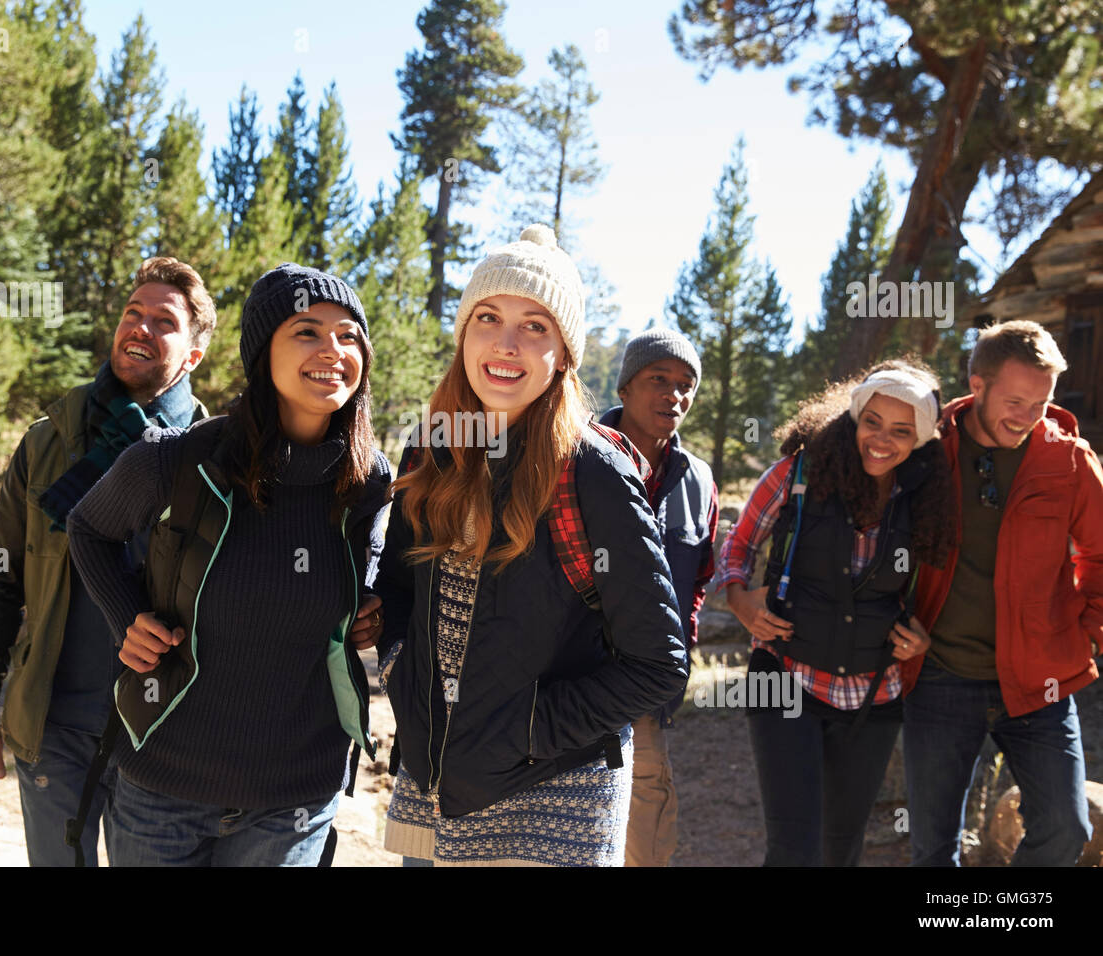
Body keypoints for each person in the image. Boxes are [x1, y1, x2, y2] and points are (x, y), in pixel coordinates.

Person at [372, 224, 689, 867]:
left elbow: (658, 664)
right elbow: (402, 585)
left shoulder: (594, 471)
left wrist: (524, 729)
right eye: (488, 317)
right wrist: (402, 668)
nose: (507, 344)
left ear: (565, 352)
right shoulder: (431, 447)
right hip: (431, 784)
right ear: (464, 333)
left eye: (536, 325)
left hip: (553, 797)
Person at [65, 263, 391, 867]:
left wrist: (369, 608)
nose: (333, 350)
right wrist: (126, 618)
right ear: (261, 352)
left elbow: (366, 576)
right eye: (307, 332)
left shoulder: (368, 479)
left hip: (294, 800)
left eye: (349, 336)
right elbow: (88, 527)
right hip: (162, 787)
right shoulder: (180, 459)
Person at [0, 256, 214, 866]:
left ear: (193, 357)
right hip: (55, 723)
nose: (141, 328)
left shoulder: (211, 459)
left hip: (161, 730)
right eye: (133, 313)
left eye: (165, 321)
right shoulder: (49, 442)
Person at [717, 359, 956, 866]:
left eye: (901, 431)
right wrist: (738, 599)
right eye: (872, 422)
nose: (882, 440)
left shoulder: (924, 498)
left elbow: (930, 590)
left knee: (841, 851)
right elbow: (735, 549)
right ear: (854, 416)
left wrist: (922, 640)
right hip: (784, 678)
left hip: (874, 694)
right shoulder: (798, 474)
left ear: (920, 439)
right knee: (794, 851)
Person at [903, 320, 1102, 866]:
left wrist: (1087, 625)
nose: (1028, 417)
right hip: (939, 676)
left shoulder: (1068, 460)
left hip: (1041, 679)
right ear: (978, 383)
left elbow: (1100, 554)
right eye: (1016, 400)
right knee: (932, 849)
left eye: (1041, 403)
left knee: (1066, 827)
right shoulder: (924, 448)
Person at [598, 327, 718, 867]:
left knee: (645, 841)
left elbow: (696, 580)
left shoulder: (699, 481)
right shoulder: (575, 450)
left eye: (686, 384)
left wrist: (677, 647)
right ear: (625, 387)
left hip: (645, 690)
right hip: (561, 680)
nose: (674, 394)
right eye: (658, 379)